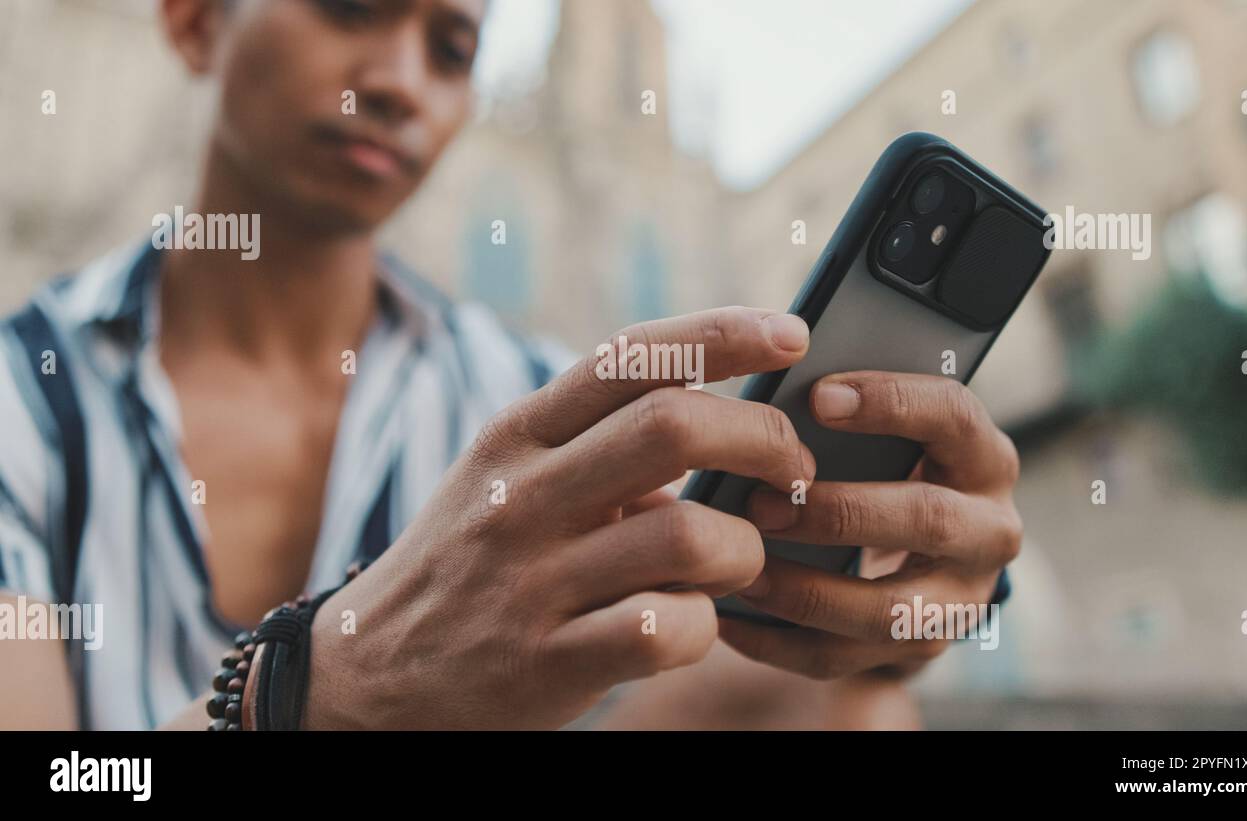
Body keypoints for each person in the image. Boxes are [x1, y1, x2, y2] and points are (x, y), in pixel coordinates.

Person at [0, 0, 1022, 730]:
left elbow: (740, 682)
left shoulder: (549, 405)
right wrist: (315, 698)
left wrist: (878, 609)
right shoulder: (25, 402)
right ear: (189, 20)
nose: (402, 82)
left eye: (452, 46)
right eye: (349, 8)